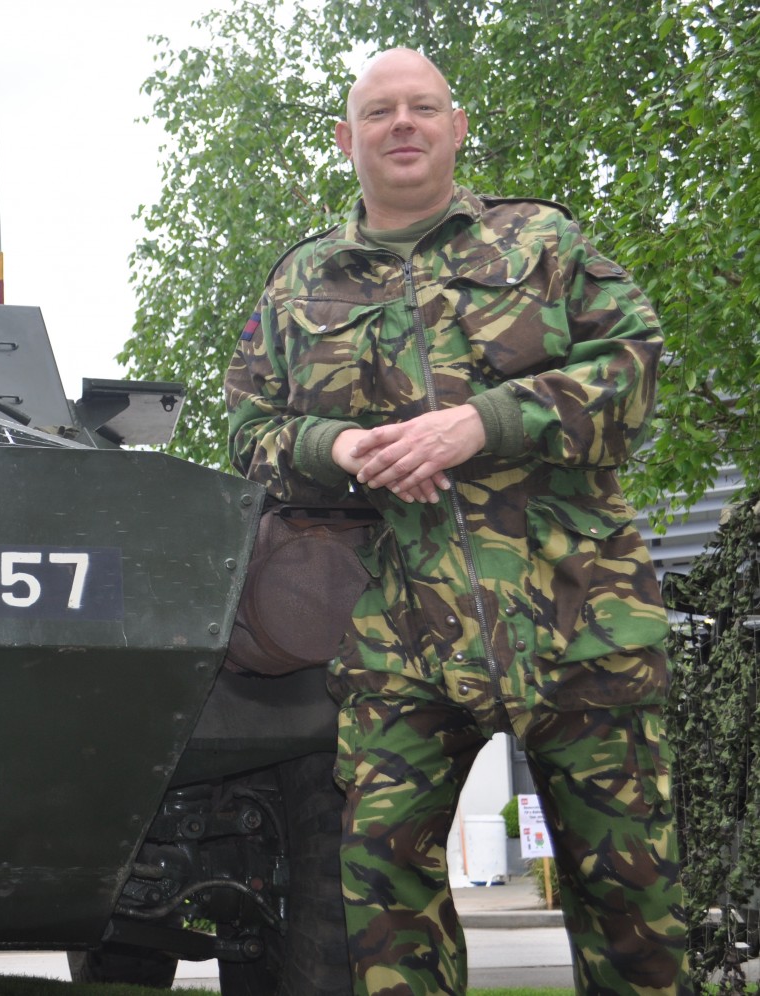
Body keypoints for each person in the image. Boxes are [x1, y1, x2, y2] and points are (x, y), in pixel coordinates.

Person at [224, 48, 689, 996]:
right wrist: (340, 449)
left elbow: (634, 368)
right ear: (347, 139)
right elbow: (247, 429)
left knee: (635, 912)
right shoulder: (298, 285)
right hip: (395, 632)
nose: (404, 123)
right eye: (381, 111)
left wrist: (485, 421)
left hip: (581, 616)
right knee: (384, 903)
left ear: (456, 126)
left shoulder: (542, 245)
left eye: (423, 107)